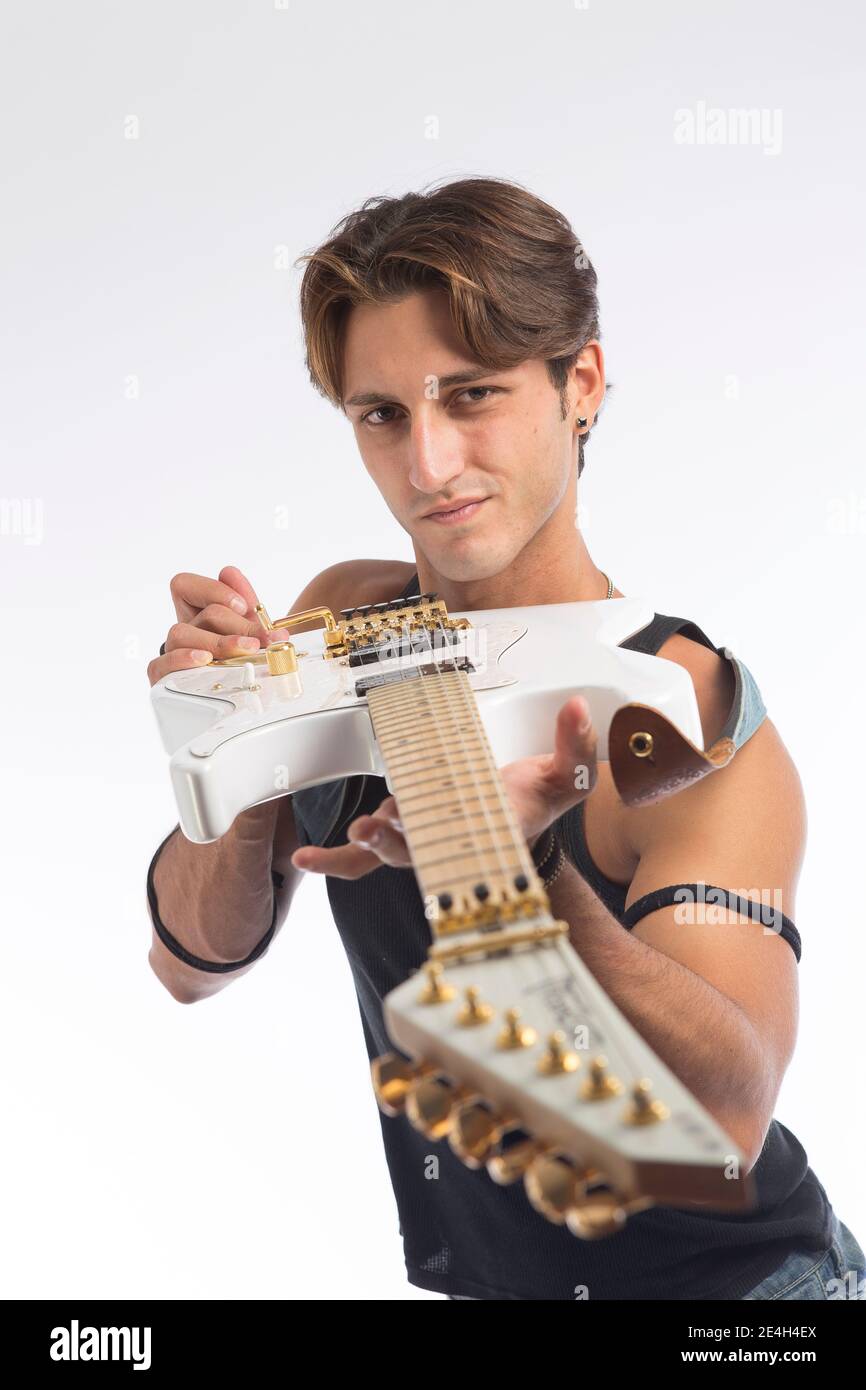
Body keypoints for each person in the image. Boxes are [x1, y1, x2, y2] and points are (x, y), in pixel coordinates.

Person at [145, 175, 864, 1301]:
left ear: (577, 381)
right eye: (381, 414)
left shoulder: (679, 719)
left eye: (469, 395)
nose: (426, 467)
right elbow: (188, 964)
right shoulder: (348, 616)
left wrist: (525, 876)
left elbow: (723, 1123)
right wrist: (242, 724)